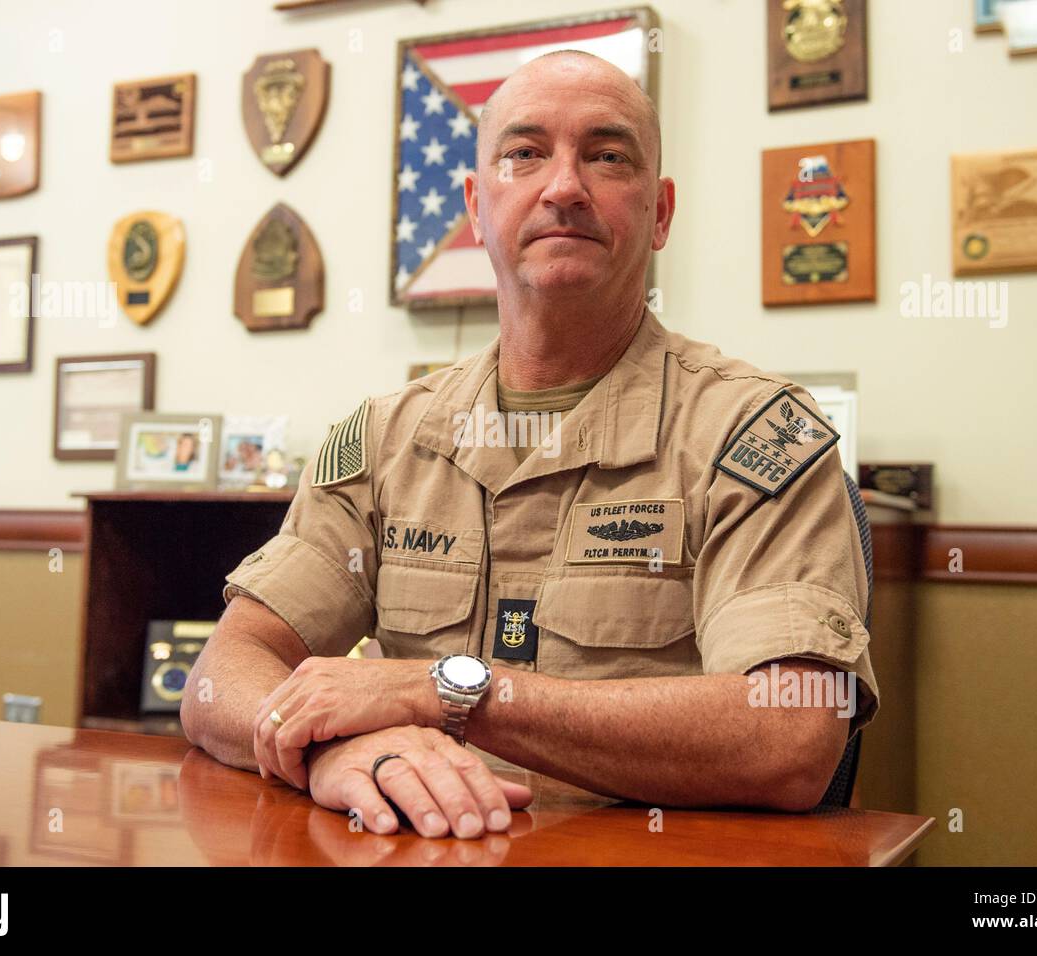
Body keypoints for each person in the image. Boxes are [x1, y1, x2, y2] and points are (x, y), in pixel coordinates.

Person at [181, 49, 879, 840]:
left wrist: (451, 692)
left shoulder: (755, 437)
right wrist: (335, 752)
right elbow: (218, 679)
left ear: (660, 213)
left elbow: (789, 737)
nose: (564, 187)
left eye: (608, 156)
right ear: (477, 207)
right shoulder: (382, 438)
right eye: (525, 154)